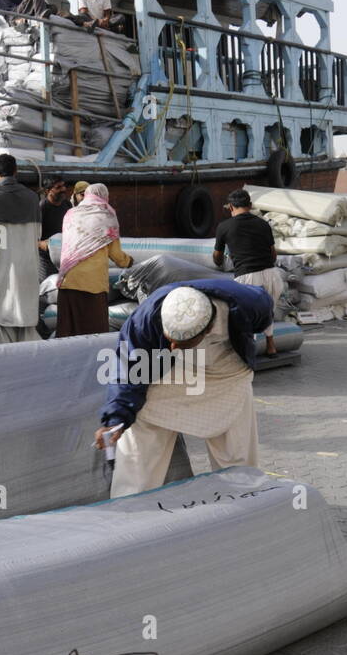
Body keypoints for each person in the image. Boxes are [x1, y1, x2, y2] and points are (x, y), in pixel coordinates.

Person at [96, 280, 272, 497]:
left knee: (237, 449)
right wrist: (115, 419)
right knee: (142, 430)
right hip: (177, 369)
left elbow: (264, 314)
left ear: (207, 329)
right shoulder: (146, 319)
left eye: (181, 342)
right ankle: (131, 502)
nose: (172, 346)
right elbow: (127, 369)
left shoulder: (248, 304)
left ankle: (243, 500)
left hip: (228, 371)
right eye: (170, 339)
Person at [0, 152, 43, 344]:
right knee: (26, 322)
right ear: (16, 171)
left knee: (0, 326)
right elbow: (37, 234)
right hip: (28, 271)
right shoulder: (32, 199)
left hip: (0, 271)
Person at [213, 188, 283, 357]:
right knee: (268, 311)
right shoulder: (263, 224)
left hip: (247, 277)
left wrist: (220, 262)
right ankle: (270, 345)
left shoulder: (224, 227)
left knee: (244, 315)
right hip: (272, 275)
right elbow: (273, 254)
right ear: (250, 206)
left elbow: (217, 257)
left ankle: (246, 350)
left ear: (230, 207)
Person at [56, 183, 131, 337]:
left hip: (67, 281)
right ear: (104, 196)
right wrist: (129, 262)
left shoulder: (70, 214)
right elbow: (117, 255)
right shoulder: (106, 215)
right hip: (92, 286)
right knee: (94, 334)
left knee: (67, 333)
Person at [38, 177, 70, 276]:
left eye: (64, 186)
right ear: (48, 191)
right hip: (46, 256)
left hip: (64, 254)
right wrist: (42, 244)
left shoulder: (67, 205)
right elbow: (31, 236)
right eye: (58, 187)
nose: (63, 189)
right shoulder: (41, 208)